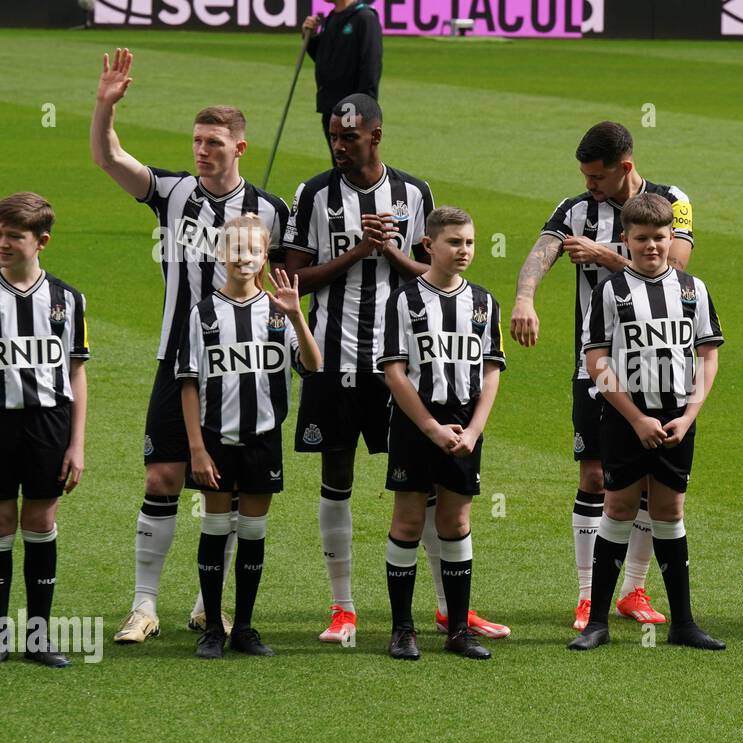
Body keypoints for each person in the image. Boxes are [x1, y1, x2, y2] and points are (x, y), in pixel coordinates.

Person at [284, 94, 508, 644]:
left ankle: (445, 609)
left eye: (349, 138)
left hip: (410, 364)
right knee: (336, 478)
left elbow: (428, 268)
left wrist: (387, 251)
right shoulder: (312, 193)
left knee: (428, 487)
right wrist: (360, 249)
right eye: (333, 136)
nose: (339, 146)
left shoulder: (415, 193)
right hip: (333, 356)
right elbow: (293, 282)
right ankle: (343, 609)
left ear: (376, 136)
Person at [91, 48, 289, 644]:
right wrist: (105, 107)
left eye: (213, 143)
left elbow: (286, 286)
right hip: (177, 358)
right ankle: (144, 605)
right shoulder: (173, 193)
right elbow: (110, 158)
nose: (201, 151)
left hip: (241, 367)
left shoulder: (270, 212)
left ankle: (212, 606)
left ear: (240, 149)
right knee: (162, 479)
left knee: (225, 489)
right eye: (197, 141)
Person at [510, 121, 694, 631]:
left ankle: (633, 589)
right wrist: (525, 298)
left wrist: (605, 257)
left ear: (625, 167)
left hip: (660, 366)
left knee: (648, 483)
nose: (589, 185)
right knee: (595, 475)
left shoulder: (671, 201)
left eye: (597, 177)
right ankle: (590, 595)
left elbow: (675, 267)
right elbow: (541, 252)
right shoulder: (576, 210)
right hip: (596, 365)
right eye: (585, 177)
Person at [567, 193, 725, 652]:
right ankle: (597, 621)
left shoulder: (694, 290)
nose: (651, 246)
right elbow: (596, 359)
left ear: (671, 237)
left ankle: (684, 624)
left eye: (659, 237)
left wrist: (690, 415)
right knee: (616, 508)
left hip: (678, 416)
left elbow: (708, 356)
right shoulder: (610, 292)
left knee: (669, 512)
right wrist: (635, 417)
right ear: (625, 240)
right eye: (641, 239)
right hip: (623, 417)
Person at [178, 216, 322, 659]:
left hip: (263, 437)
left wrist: (298, 315)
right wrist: (197, 450)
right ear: (222, 254)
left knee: (254, 531)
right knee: (216, 528)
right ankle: (212, 630)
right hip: (215, 438)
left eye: (253, 251)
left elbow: (313, 366)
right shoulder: (202, 314)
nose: (243, 258)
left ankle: (243, 626)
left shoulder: (279, 311)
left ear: (264, 256)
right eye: (235, 249)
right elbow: (187, 383)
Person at [378, 207, 505, 661]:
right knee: (408, 522)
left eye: (469, 242)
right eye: (454, 242)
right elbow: (394, 372)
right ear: (429, 245)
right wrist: (431, 428)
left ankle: (457, 630)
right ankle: (402, 629)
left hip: (465, 429)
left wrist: (474, 429)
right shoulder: (404, 300)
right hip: (417, 427)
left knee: (456, 522)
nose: (464, 251)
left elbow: (491, 371)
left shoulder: (485, 302)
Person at [0, 193, 89, 668]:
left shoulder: (67, 299)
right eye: (0, 233)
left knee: (40, 521)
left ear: (42, 241)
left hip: (48, 423)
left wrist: (76, 444)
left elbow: (77, 372)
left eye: (14, 236)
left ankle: (38, 636)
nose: (3, 243)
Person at [302, 1, 383, 160]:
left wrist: (364, 109)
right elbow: (327, 60)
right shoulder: (333, 16)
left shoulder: (365, 17)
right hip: (331, 107)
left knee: (354, 166)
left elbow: (371, 66)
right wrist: (310, 38)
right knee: (341, 165)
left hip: (353, 110)